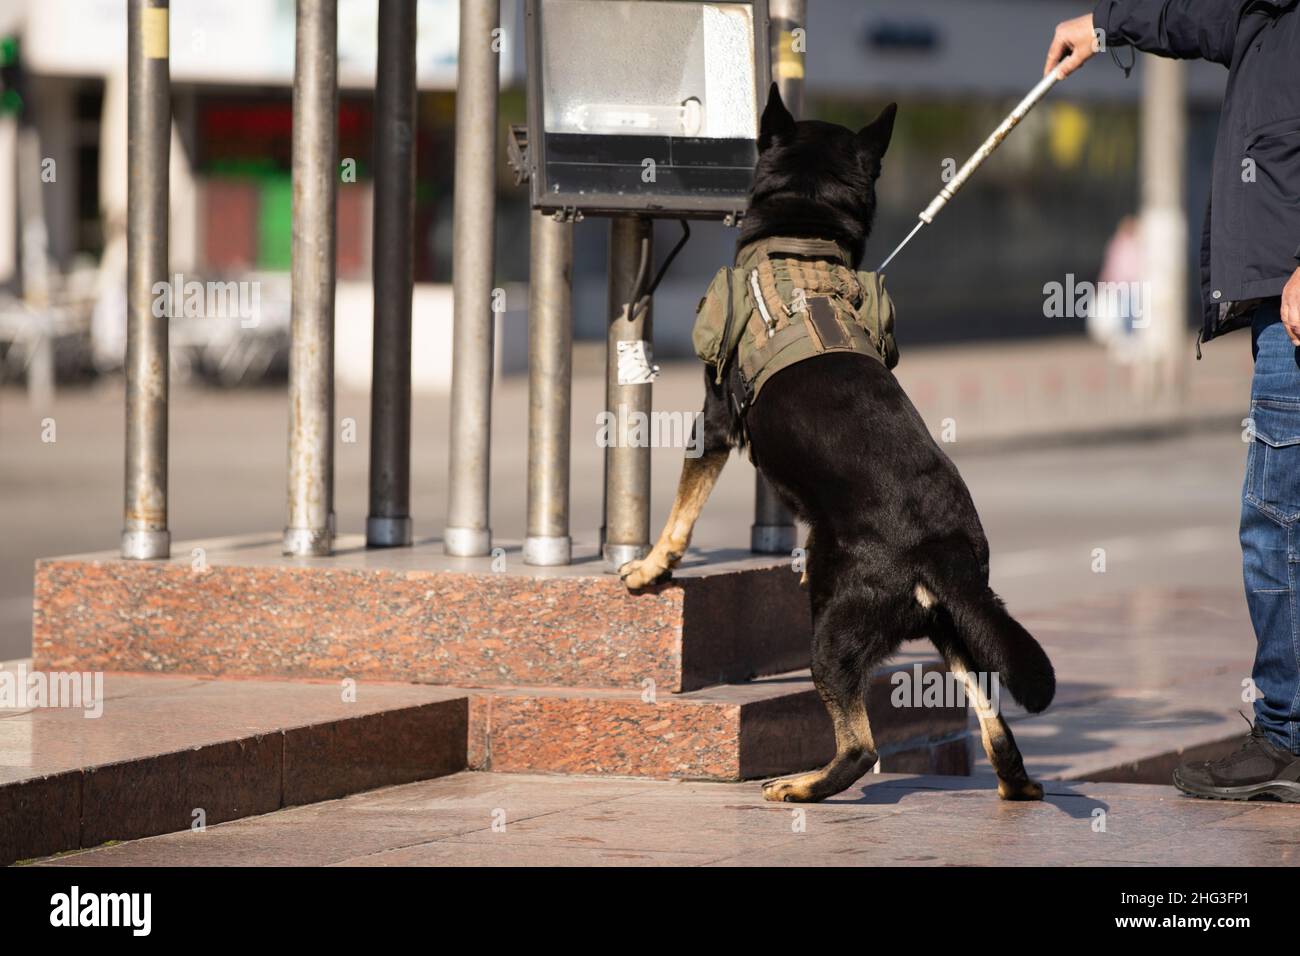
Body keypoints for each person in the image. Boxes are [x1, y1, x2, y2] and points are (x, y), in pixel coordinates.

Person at [1046, 1, 1300, 802]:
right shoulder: (1266, 21)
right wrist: (1103, 26)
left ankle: (1288, 736)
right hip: (1277, 313)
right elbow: (1189, 16)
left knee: (1279, 530)